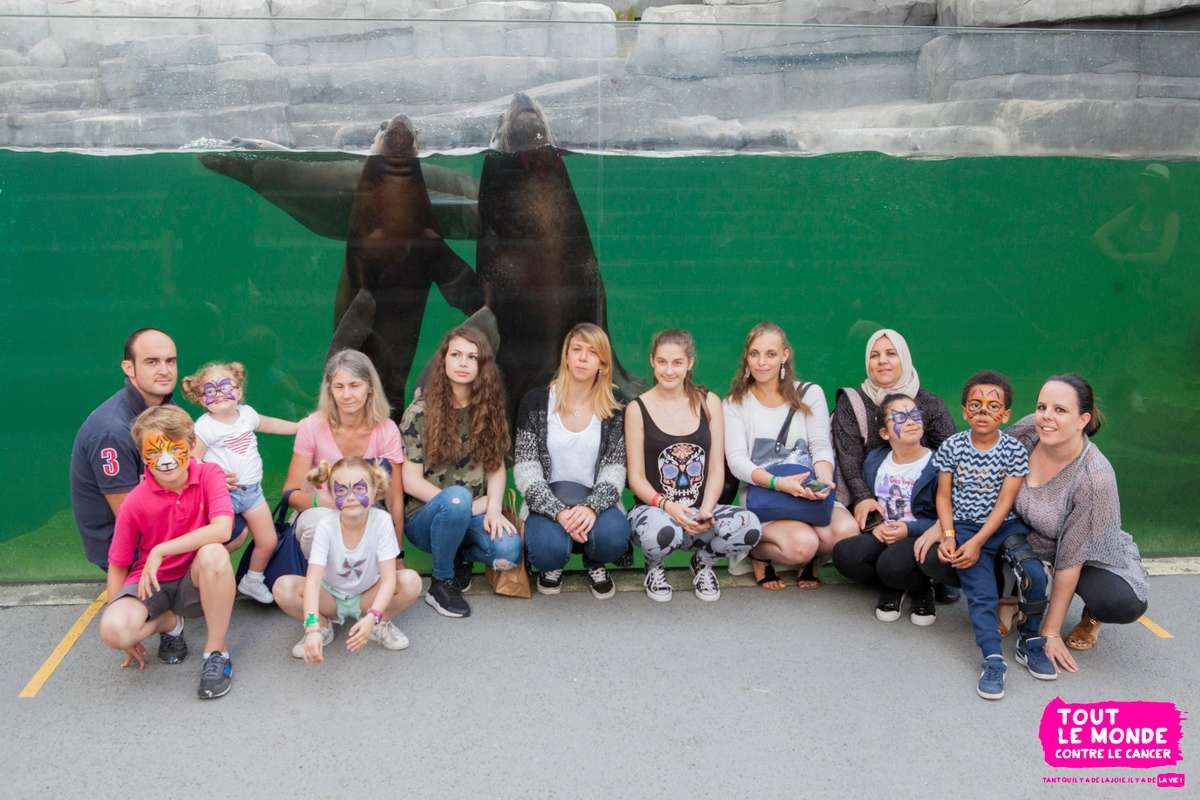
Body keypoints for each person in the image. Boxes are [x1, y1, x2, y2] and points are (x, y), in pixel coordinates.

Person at [920, 371, 1053, 701]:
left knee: (1034, 574)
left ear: (1005, 414)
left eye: (993, 406)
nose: (983, 412)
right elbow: (943, 497)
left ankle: (1031, 641)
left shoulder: (1012, 450)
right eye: (975, 405)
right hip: (963, 527)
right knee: (980, 595)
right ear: (964, 410)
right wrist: (950, 536)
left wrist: (979, 542)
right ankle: (993, 660)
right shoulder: (952, 446)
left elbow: (1005, 503)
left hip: (1003, 527)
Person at [1008, 374, 1149, 674]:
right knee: (945, 556)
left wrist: (1049, 631)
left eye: (1060, 410)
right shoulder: (1027, 431)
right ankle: (1008, 597)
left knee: (1120, 601)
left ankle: (1092, 617)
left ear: (1082, 419)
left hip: (1086, 554)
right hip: (1027, 538)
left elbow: (1070, 559)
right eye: (1042, 406)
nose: (1046, 417)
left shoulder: (1094, 477)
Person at [97, 405, 237, 700]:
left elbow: (223, 529)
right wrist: (122, 617)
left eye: (175, 448)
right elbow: (118, 564)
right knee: (113, 629)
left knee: (214, 553)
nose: (166, 459)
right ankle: (168, 623)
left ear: (190, 444)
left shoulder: (210, 474)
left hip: (194, 582)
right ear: (142, 455)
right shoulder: (134, 502)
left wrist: (162, 549)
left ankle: (216, 653)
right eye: (154, 451)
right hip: (152, 583)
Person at [626, 329, 761, 603]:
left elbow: (715, 470)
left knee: (750, 527)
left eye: (677, 362)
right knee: (662, 532)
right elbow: (636, 478)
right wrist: (670, 507)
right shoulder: (637, 409)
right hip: (656, 513)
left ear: (690, 363)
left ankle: (703, 563)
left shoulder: (709, 402)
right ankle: (654, 567)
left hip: (701, 512)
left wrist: (707, 511)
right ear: (652, 361)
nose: (669, 370)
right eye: (662, 361)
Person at [400, 326, 521, 619]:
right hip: (426, 517)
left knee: (508, 552)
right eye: (456, 355)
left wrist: (492, 508)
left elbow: (496, 469)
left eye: (472, 357)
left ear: (483, 366)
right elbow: (410, 481)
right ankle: (441, 584)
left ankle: (459, 555)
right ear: (444, 361)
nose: (463, 363)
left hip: (476, 509)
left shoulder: (490, 410)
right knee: (455, 500)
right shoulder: (420, 411)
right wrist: (459, 505)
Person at [833, 328, 958, 600]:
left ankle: (925, 574)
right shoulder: (853, 401)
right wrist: (865, 501)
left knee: (897, 561)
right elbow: (849, 458)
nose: (882, 361)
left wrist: (936, 522)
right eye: (875, 355)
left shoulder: (930, 403)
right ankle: (904, 576)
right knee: (848, 555)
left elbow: (953, 457)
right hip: (877, 501)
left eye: (891, 353)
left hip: (925, 507)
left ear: (904, 358)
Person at [723, 322, 847, 590]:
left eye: (770, 354)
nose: (761, 362)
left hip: (807, 489)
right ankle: (758, 554)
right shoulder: (735, 403)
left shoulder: (810, 393)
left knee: (845, 533)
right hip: (767, 494)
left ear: (785, 355)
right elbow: (737, 462)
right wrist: (780, 484)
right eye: (754, 354)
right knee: (803, 545)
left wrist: (823, 481)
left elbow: (820, 446)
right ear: (746, 357)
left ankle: (810, 554)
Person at [514, 323, 629, 599]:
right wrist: (559, 512)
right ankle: (550, 567)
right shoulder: (536, 402)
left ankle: (595, 563)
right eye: (576, 349)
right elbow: (526, 469)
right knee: (547, 550)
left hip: (596, 501)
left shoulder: (614, 406)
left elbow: (615, 469)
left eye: (592, 352)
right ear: (565, 355)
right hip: (547, 501)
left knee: (614, 536)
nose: (582, 357)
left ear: (602, 363)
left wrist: (590, 508)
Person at [273, 457, 422, 661]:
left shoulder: (382, 521)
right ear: (332, 495)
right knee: (283, 587)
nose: (351, 497)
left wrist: (373, 615)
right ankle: (324, 628)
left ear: (374, 489)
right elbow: (313, 581)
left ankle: (378, 624)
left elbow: (389, 579)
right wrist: (311, 627)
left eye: (359, 488)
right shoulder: (326, 525)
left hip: (367, 595)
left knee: (410, 581)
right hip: (331, 598)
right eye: (341, 490)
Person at [181, 361, 299, 604]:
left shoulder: (247, 414)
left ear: (239, 391)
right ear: (202, 399)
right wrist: (215, 476)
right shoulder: (204, 427)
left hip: (253, 493)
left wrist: (298, 427)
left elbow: (271, 424)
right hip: (224, 496)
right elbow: (192, 462)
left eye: (226, 386)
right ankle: (200, 576)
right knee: (223, 540)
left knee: (268, 541)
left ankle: (252, 580)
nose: (220, 394)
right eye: (210, 390)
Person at [281, 350, 406, 560]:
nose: (347, 395)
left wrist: (398, 556)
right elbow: (289, 494)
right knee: (319, 524)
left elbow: (395, 501)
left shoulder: (386, 430)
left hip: (365, 511)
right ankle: (321, 586)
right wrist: (324, 501)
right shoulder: (312, 426)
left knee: (406, 583)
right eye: (339, 387)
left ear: (370, 388)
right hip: (319, 509)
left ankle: (358, 586)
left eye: (355, 385)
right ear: (330, 391)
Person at [71, 328, 178, 571]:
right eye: (152, 362)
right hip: (124, 545)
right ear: (129, 368)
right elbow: (130, 516)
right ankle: (145, 596)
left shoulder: (163, 405)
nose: (164, 370)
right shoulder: (112, 430)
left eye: (170, 361)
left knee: (231, 525)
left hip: (159, 518)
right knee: (211, 542)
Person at [832, 393, 941, 624]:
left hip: (918, 534)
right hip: (884, 532)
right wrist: (875, 526)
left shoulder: (937, 464)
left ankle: (922, 588)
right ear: (884, 433)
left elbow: (943, 519)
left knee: (891, 564)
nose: (910, 421)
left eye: (914, 414)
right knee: (845, 554)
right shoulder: (875, 460)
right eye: (900, 418)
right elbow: (869, 502)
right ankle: (896, 584)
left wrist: (908, 530)